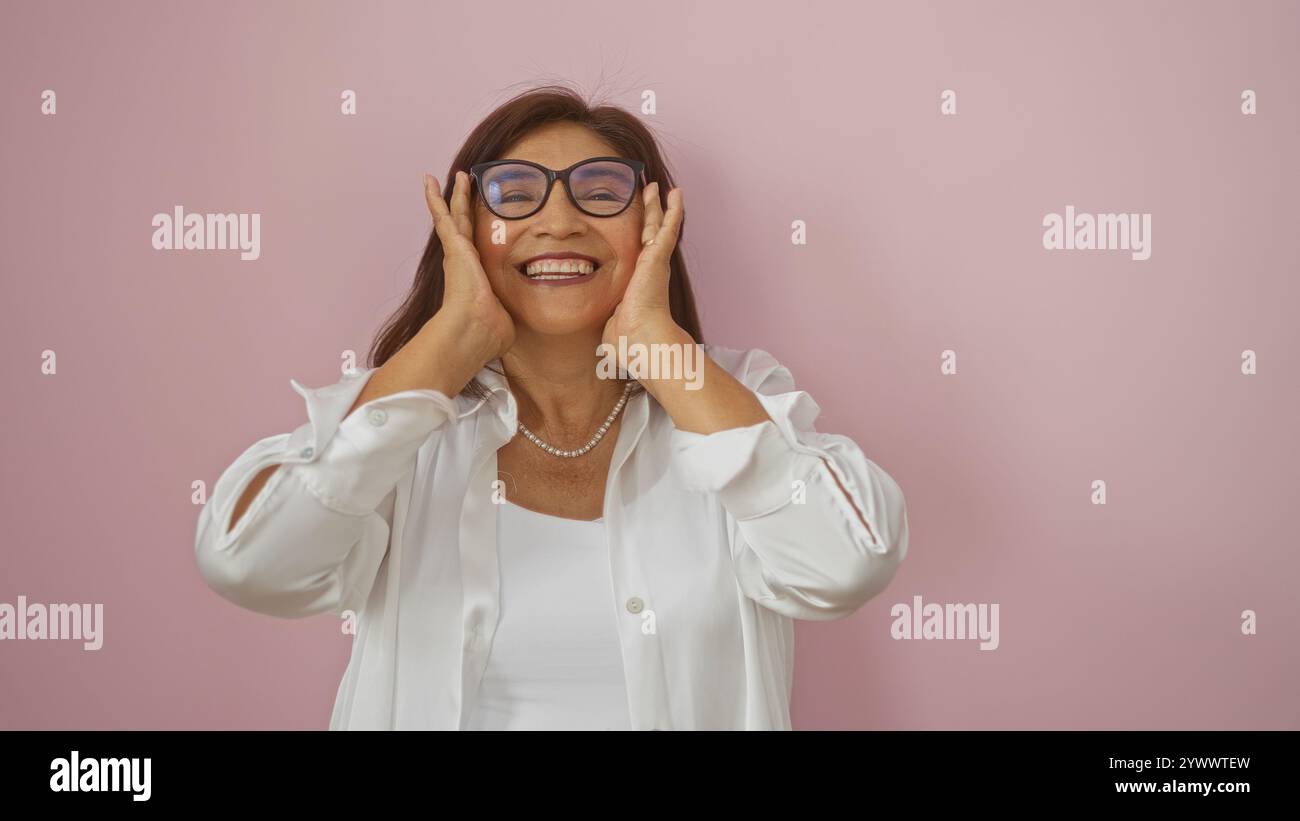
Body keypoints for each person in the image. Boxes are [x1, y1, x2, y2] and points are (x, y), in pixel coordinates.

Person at [193, 85, 910, 730]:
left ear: (655, 228)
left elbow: (848, 562)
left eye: (602, 193)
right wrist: (447, 344)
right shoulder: (401, 428)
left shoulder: (725, 398)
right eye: (515, 194)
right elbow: (247, 560)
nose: (559, 220)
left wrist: (660, 346)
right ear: (465, 230)